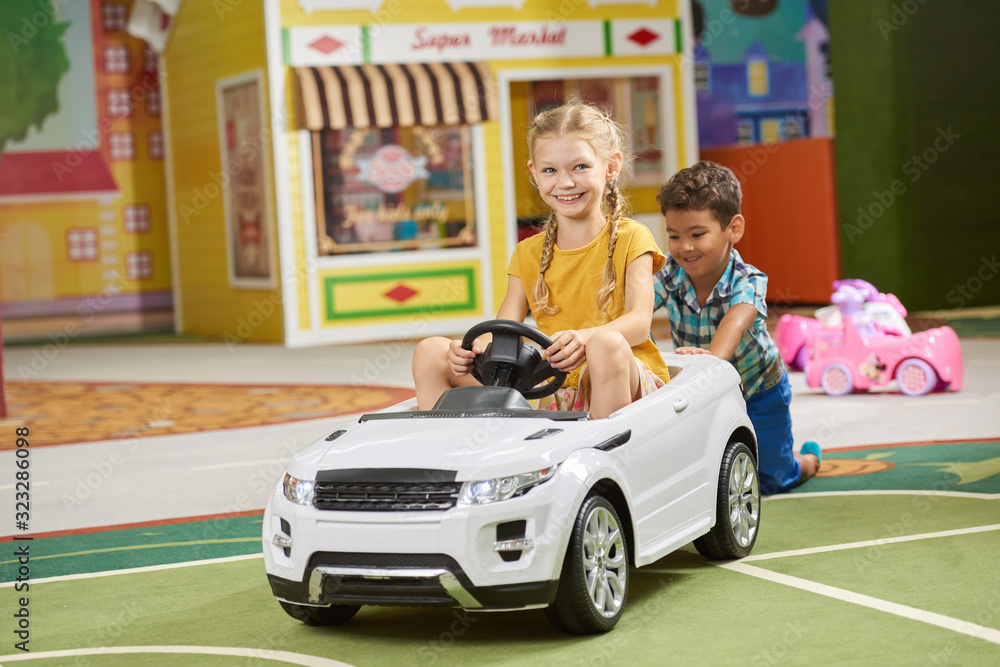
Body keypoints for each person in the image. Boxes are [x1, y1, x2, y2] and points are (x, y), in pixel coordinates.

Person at [412, 101, 670, 419]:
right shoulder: (527, 253)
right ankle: (450, 454)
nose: (565, 182)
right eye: (551, 170)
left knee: (607, 345)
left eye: (580, 167)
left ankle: (600, 456)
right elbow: (503, 330)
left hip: (621, 375)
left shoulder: (633, 237)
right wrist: (468, 350)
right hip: (553, 385)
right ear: (535, 172)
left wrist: (587, 337)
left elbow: (640, 323)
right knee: (430, 351)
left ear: (611, 166)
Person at [652, 161, 821, 493]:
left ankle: (806, 461)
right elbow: (639, 306)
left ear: (734, 228)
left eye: (697, 234)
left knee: (771, 479)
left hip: (759, 388)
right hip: (705, 393)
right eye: (674, 235)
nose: (685, 247)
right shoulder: (668, 274)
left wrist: (711, 359)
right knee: (711, 475)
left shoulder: (748, 280)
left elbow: (736, 321)